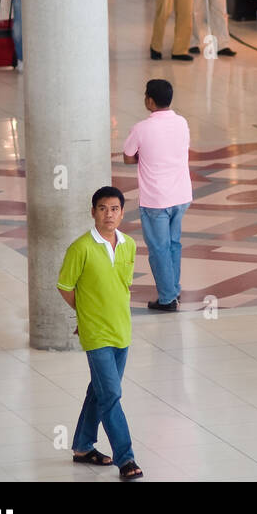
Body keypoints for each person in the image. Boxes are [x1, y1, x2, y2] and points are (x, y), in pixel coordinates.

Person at [57, 186, 143, 481]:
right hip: (95, 333)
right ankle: (126, 458)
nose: (109, 214)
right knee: (111, 396)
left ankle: (82, 446)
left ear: (122, 212)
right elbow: (65, 287)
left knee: (100, 390)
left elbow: (123, 286)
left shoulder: (129, 244)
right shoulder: (80, 248)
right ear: (93, 212)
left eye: (115, 209)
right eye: (103, 208)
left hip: (122, 329)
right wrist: (86, 314)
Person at [122, 79, 192, 311]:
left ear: (150, 100)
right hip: (181, 195)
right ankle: (174, 288)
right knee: (174, 244)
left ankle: (167, 298)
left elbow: (128, 156)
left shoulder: (142, 128)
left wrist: (148, 156)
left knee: (159, 249)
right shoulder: (182, 123)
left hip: (156, 200)